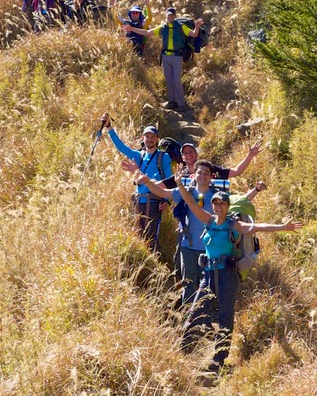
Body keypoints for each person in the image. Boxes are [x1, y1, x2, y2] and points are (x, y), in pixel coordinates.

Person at [145, 176, 301, 374]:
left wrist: (283, 227)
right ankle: (182, 353)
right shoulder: (207, 220)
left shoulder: (233, 225)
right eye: (215, 202)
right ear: (212, 205)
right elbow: (191, 202)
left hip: (228, 274)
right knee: (196, 313)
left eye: (222, 203)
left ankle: (218, 360)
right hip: (208, 274)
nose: (218, 206)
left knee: (225, 317)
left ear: (227, 206)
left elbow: (258, 227)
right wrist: (179, 184)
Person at [129, 159, 265, 303]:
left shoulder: (218, 197)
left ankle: (203, 316)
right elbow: (162, 192)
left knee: (207, 285)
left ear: (212, 176)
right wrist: (146, 181)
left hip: (211, 250)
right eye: (200, 172)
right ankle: (189, 315)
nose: (203, 175)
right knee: (188, 283)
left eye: (207, 173)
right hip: (188, 246)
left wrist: (256, 190)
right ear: (194, 175)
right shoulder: (184, 192)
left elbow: (240, 202)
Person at [100, 114, 174, 251]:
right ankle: (144, 265)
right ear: (143, 138)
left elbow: (170, 180)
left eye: (153, 137)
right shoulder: (139, 156)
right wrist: (109, 127)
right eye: (147, 136)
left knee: (151, 238)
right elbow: (121, 147)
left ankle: (153, 264)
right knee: (138, 237)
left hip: (154, 202)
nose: (150, 139)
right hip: (138, 201)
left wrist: (167, 200)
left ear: (157, 139)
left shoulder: (163, 157)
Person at [128, 6, 204, 111]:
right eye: (169, 15)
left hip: (177, 57)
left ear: (175, 16)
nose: (170, 17)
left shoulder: (181, 27)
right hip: (165, 57)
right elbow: (147, 32)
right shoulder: (163, 27)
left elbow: (194, 34)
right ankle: (172, 101)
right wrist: (132, 29)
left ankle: (181, 104)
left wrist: (197, 27)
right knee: (168, 80)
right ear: (166, 16)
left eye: (172, 15)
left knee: (176, 80)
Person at [179, 140, 263, 183]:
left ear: (196, 154)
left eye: (191, 151)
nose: (189, 154)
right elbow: (165, 187)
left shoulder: (210, 169)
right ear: (183, 158)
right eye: (185, 153)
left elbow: (237, 171)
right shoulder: (180, 176)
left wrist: (250, 156)